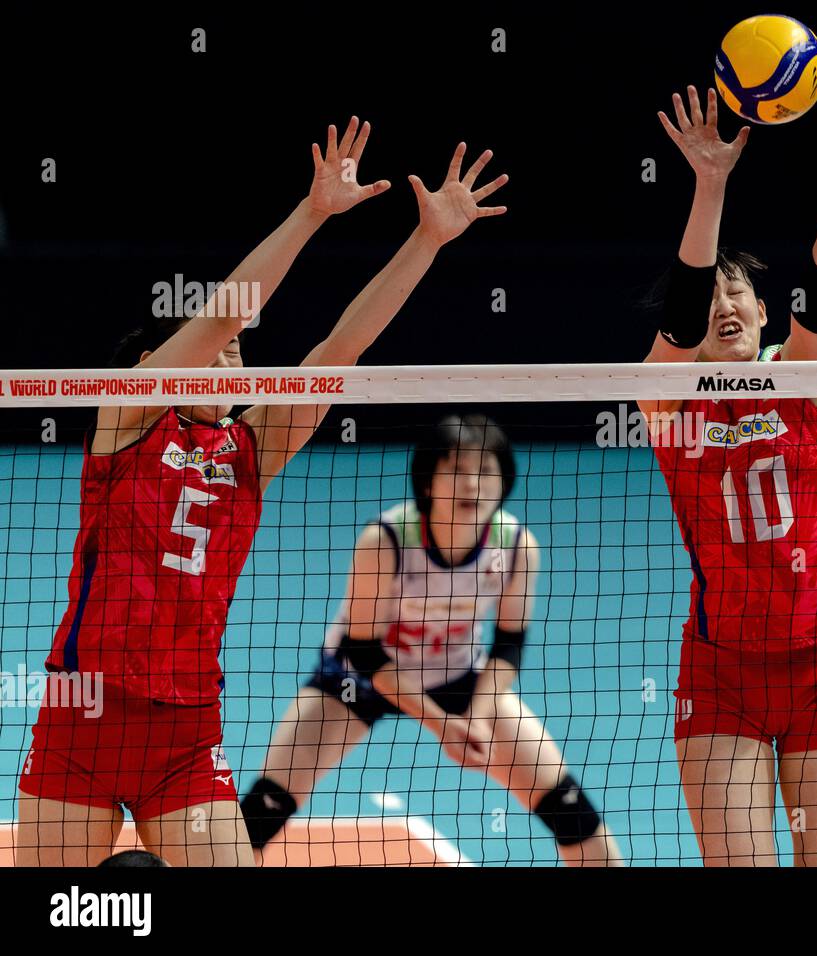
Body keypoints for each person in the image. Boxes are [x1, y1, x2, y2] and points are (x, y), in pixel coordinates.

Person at [17, 117, 508, 866]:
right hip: (83, 715)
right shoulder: (124, 424)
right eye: (219, 351)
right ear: (158, 361)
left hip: (185, 731)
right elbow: (224, 310)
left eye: (243, 354)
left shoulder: (249, 452)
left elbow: (340, 350)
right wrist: (311, 213)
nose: (234, 359)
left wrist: (426, 241)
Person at [642, 86, 817, 865]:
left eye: (736, 294)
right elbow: (676, 316)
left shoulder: (801, 379)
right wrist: (709, 186)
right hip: (722, 670)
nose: (721, 306)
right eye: (709, 301)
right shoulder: (664, 401)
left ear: (763, 313)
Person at [240, 415, 623, 865]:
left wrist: (476, 716)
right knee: (261, 811)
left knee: (570, 809)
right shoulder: (385, 541)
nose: (471, 486)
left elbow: (508, 645)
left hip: (460, 679)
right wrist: (441, 723)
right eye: (456, 470)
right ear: (427, 482)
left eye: (485, 472)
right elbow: (362, 650)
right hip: (356, 681)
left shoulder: (516, 546)